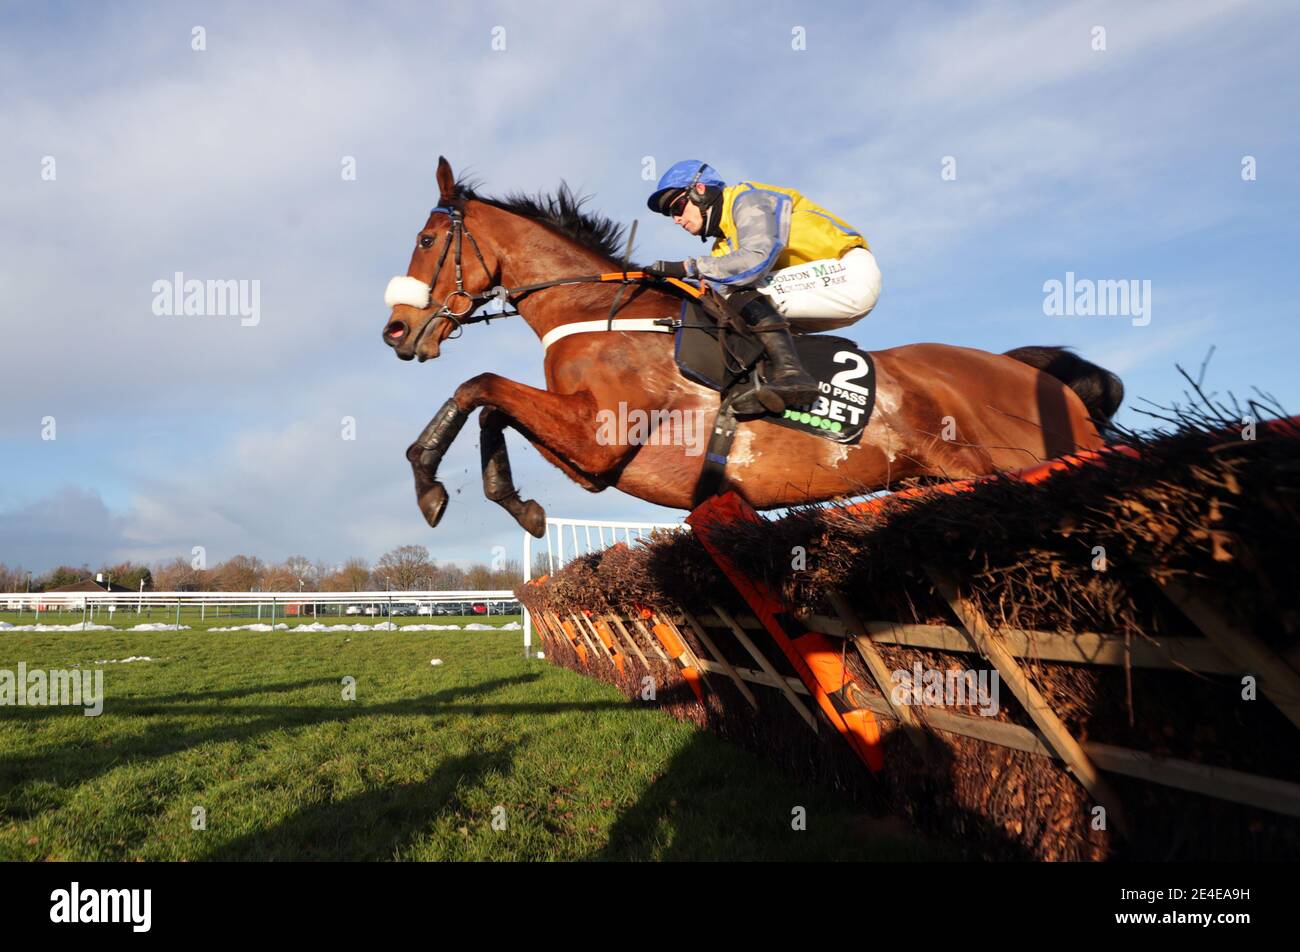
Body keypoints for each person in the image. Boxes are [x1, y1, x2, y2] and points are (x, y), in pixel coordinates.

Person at [645, 160, 882, 414]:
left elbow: (755, 260)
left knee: (738, 293)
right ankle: (770, 385)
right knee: (723, 310)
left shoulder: (748, 199)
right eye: (671, 214)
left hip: (847, 273)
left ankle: (792, 375)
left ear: (700, 190)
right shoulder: (723, 247)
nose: (677, 219)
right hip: (817, 287)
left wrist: (687, 267)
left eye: (678, 206)